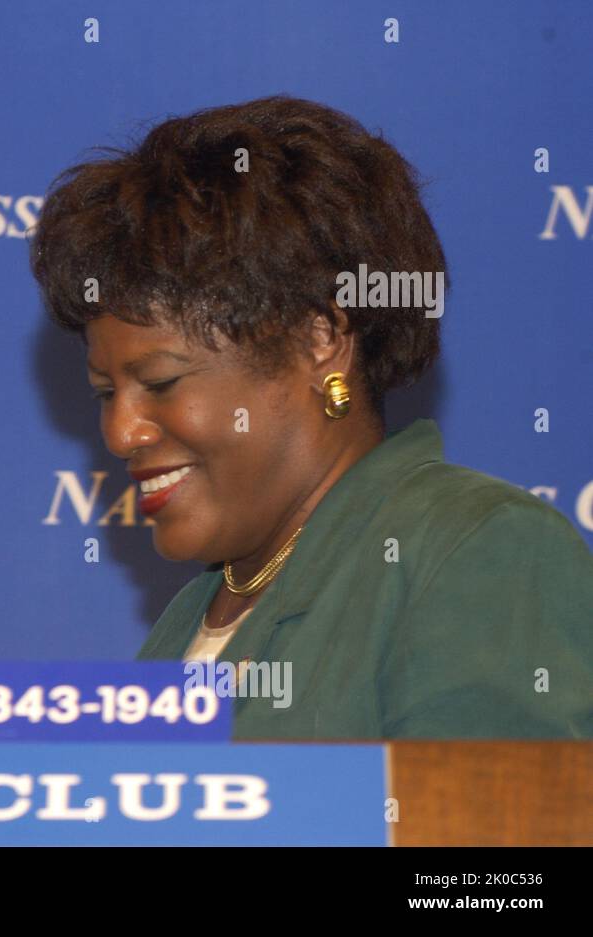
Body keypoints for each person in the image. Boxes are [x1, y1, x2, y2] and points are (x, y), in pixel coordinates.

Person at [30, 96, 593, 739]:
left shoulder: (472, 549)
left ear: (319, 339)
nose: (122, 431)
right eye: (106, 393)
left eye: (160, 381)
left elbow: (497, 829)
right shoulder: (192, 616)